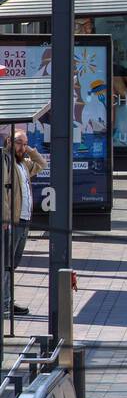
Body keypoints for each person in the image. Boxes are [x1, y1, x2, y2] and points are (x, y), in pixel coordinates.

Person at [1, 131, 47, 316]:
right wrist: (5, 217)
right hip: (13, 221)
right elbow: (2, 191)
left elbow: (42, 165)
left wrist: (29, 149)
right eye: (19, 143)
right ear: (9, 141)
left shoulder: (23, 164)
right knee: (6, 264)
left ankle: (8, 301)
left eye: (25, 144)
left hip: (25, 219)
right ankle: (4, 303)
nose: (22, 147)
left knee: (13, 264)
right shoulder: (5, 161)